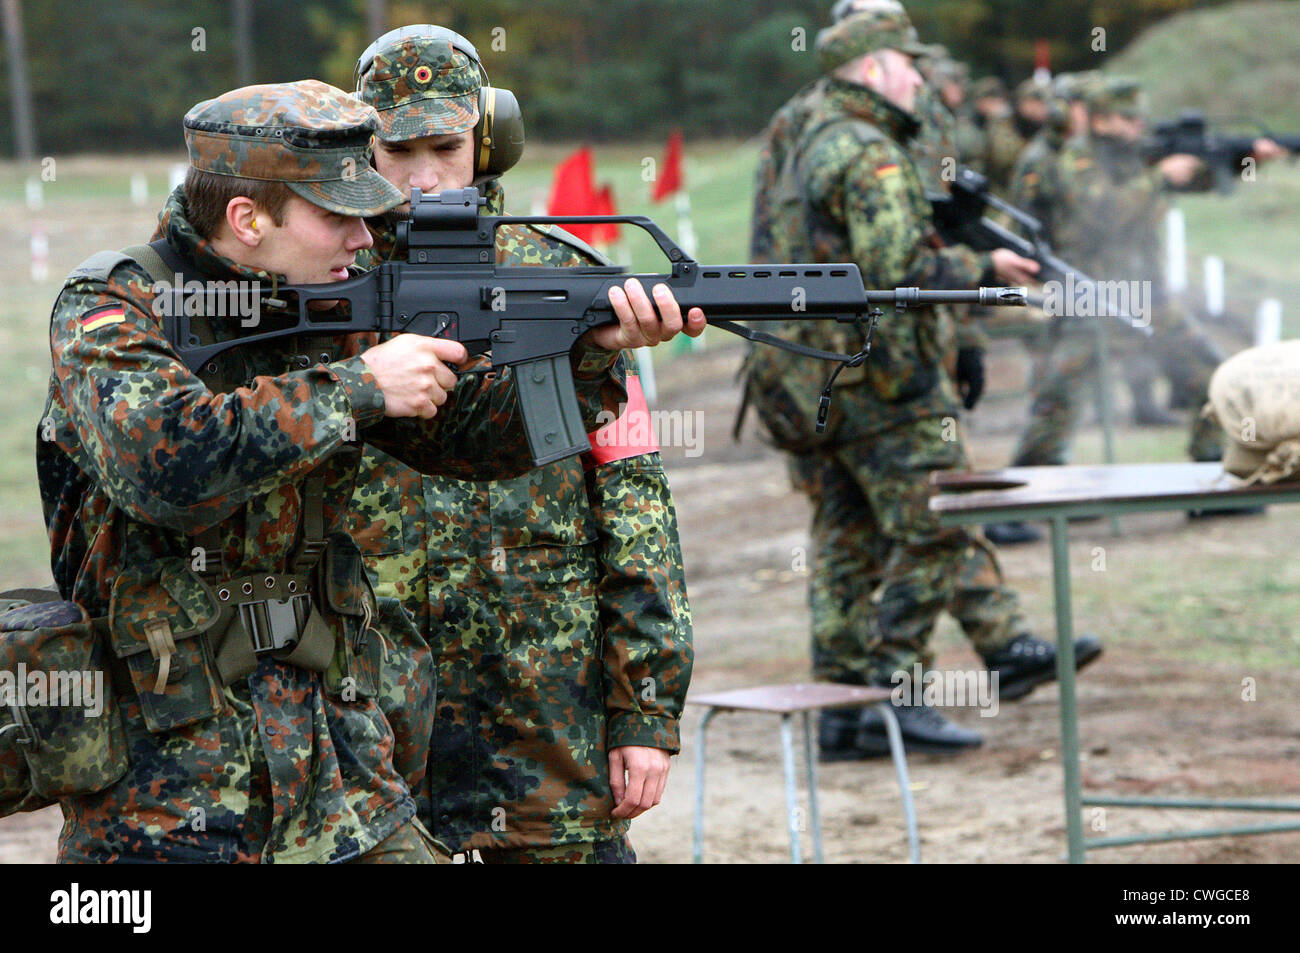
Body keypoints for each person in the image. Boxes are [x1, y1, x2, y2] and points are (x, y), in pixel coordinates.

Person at [33, 79, 698, 863]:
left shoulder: (321, 303)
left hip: (335, 761)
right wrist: (361, 387)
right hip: (168, 783)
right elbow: (167, 466)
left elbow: (467, 445)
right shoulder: (114, 307)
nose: (364, 237)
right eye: (340, 215)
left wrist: (585, 353)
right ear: (247, 219)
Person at [347, 25, 694, 863]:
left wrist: (643, 705)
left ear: (488, 142)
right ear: (364, 150)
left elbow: (636, 507)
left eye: (446, 145)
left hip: (544, 722)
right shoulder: (327, 287)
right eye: (400, 150)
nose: (425, 174)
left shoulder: (567, 281)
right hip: (370, 726)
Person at [745, 7, 1101, 760]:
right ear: (874, 71)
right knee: (940, 526)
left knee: (845, 539)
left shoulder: (805, 130)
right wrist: (984, 273)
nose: (921, 78)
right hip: (886, 379)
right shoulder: (870, 151)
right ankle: (895, 693)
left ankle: (844, 709)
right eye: (909, 66)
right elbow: (898, 272)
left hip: (812, 374)